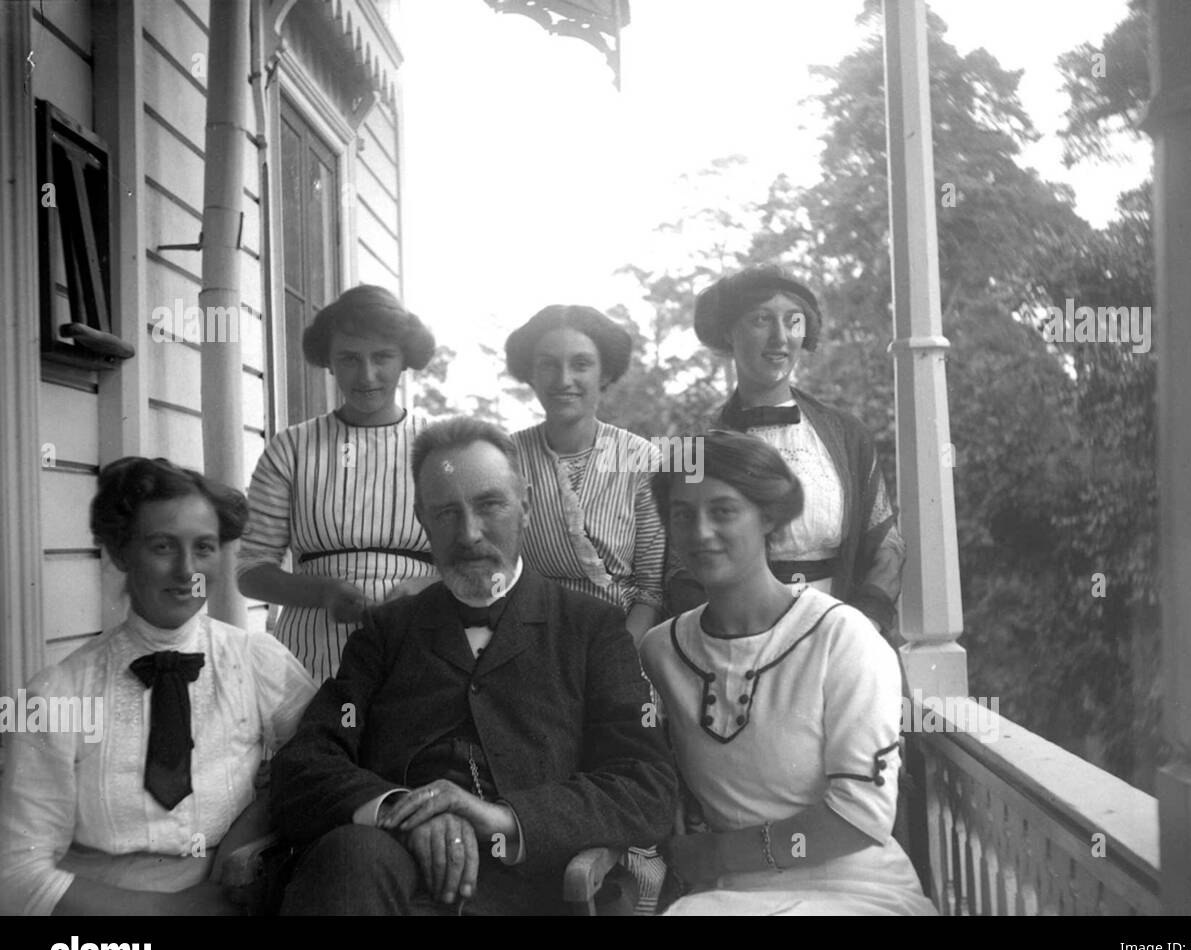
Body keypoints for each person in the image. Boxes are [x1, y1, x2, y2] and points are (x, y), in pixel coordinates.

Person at [269, 417, 677, 915]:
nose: (469, 534)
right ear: (422, 519)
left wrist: (503, 818)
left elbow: (646, 783)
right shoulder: (388, 631)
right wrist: (404, 809)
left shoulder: (591, 629)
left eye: (489, 505)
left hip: (527, 891)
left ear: (525, 506)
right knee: (351, 854)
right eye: (445, 513)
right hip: (384, 883)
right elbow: (304, 764)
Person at [0, 458, 316, 916]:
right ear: (121, 553)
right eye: (163, 546)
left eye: (204, 548)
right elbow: (15, 877)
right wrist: (178, 911)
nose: (187, 570)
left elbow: (323, 765)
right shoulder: (54, 696)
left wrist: (259, 814)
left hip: (236, 895)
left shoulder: (257, 663)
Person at [640, 431, 933, 915]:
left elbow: (861, 816)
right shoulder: (663, 651)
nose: (701, 532)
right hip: (727, 896)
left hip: (857, 890)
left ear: (768, 516)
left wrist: (714, 853)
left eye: (723, 511)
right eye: (682, 515)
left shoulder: (841, 637)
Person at [667, 266, 905, 633]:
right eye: (761, 319)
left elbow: (886, 547)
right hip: (736, 641)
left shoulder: (847, 435)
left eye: (793, 321)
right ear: (729, 331)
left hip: (842, 634)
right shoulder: (695, 445)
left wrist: (862, 626)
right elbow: (680, 566)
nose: (780, 337)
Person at [237, 285, 440, 683]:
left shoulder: (438, 449)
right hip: (313, 654)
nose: (366, 375)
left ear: (404, 360)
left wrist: (427, 585)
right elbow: (250, 571)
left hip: (423, 640)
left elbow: (478, 559)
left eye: (382, 357)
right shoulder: (291, 449)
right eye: (349, 358)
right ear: (329, 362)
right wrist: (325, 592)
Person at [505, 305, 665, 647]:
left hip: (622, 640)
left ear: (604, 373)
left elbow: (650, 591)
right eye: (548, 364)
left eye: (581, 364)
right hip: (528, 639)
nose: (563, 380)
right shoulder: (504, 459)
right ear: (531, 373)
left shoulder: (642, 459)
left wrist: (618, 660)